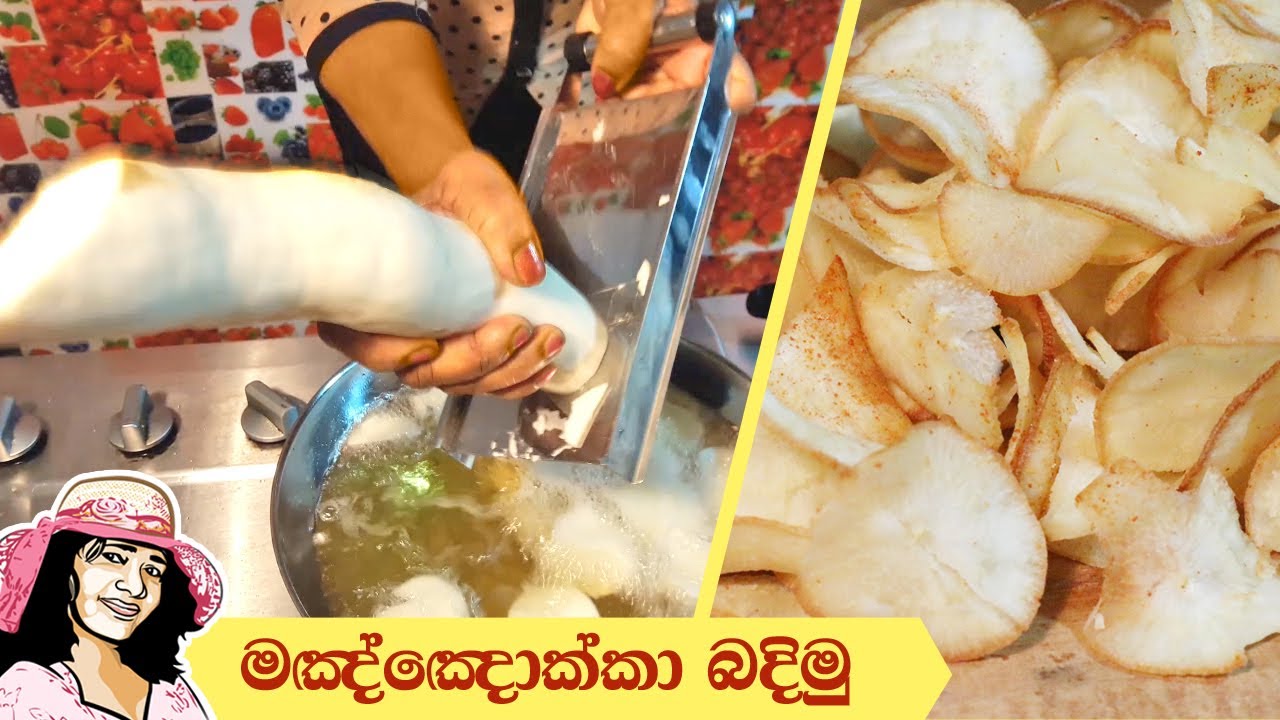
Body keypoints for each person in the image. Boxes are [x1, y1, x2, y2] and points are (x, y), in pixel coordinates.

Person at [0, 0, 755, 401]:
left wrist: (664, 18)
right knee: (463, 326)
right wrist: (437, 166)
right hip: (412, 97)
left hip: (586, 89)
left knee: (593, 300)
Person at [0, 471, 222, 720]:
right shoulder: (28, 689)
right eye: (114, 558)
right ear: (62, 568)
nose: (136, 587)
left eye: (152, 570)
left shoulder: (171, 691)